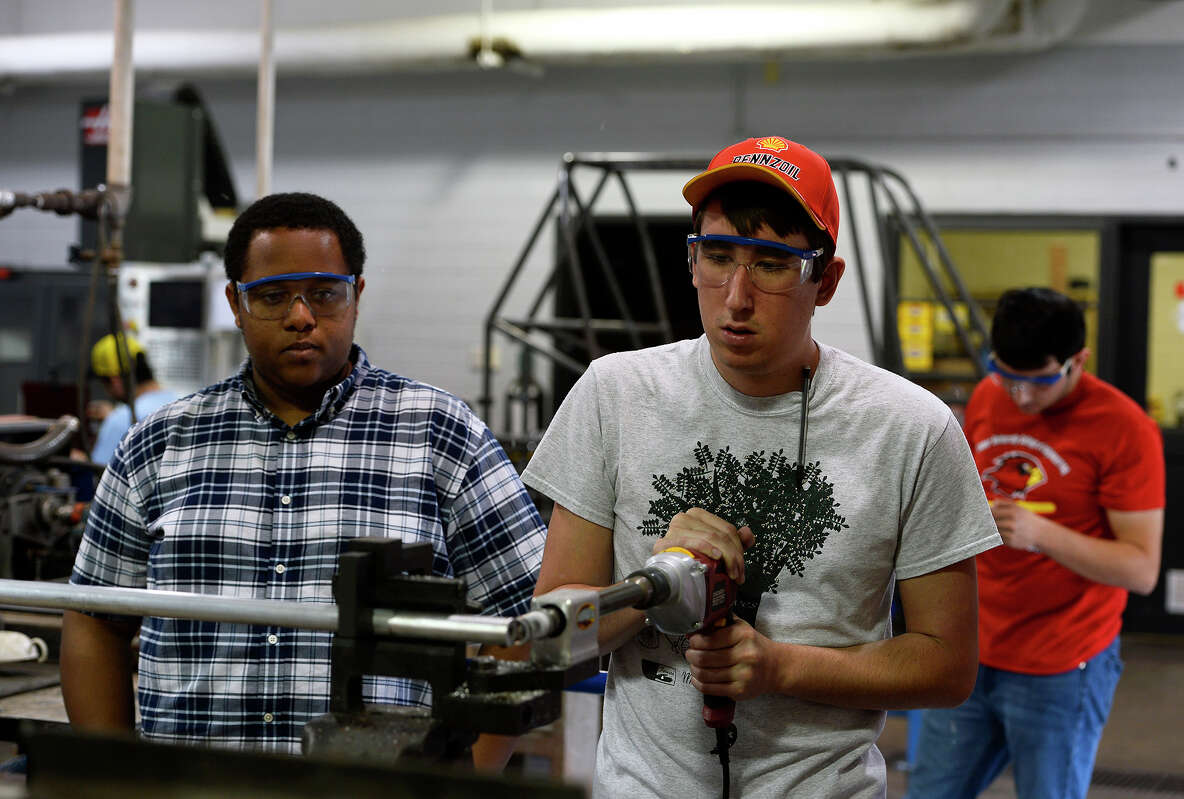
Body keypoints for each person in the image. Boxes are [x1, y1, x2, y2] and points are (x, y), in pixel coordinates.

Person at [521, 135, 1001, 798]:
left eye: (773, 264)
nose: (736, 296)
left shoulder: (910, 428)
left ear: (824, 281)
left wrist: (782, 667)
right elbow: (555, 629)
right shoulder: (614, 394)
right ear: (691, 261)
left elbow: (948, 667)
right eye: (716, 257)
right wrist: (656, 584)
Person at [61, 192, 547, 767]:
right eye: (271, 297)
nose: (300, 317)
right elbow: (95, 620)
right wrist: (116, 778)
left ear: (356, 296)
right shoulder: (158, 443)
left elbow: (526, 623)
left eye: (324, 294)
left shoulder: (440, 433)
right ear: (235, 305)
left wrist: (465, 776)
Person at [907, 288, 1165, 799]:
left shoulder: (1124, 430)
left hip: (1061, 666)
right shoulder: (988, 396)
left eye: (1041, 380)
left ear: (1078, 361)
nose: (1020, 396)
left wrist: (1042, 535)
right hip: (973, 649)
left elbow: (1140, 569)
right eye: (1007, 373)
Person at [86, 332, 177, 466]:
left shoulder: (121, 419)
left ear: (114, 381)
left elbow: (99, 476)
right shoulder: (181, 403)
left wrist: (77, 458)